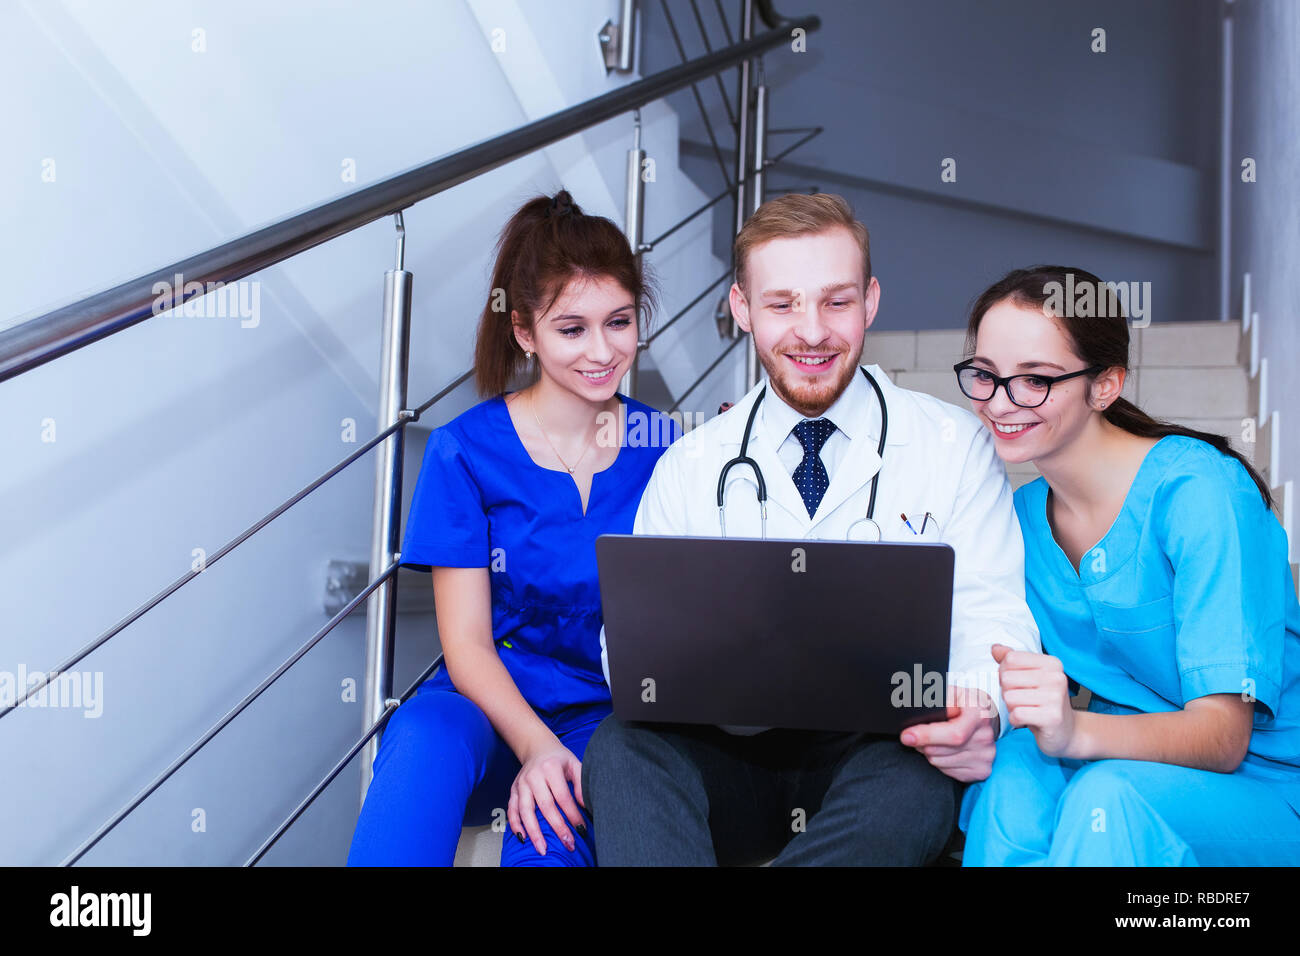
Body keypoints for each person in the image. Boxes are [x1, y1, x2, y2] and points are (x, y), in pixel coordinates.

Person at [580, 193, 1042, 866]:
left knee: (914, 780)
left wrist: (979, 708)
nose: (813, 331)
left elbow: (992, 614)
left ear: (871, 301)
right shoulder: (692, 463)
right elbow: (628, 653)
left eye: (836, 301)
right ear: (741, 309)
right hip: (725, 756)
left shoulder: (951, 443)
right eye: (782, 304)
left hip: (875, 756)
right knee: (621, 747)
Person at [346, 190, 680, 866]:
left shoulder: (668, 446)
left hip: (606, 717)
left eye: (619, 322)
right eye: (572, 328)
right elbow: (465, 644)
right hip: (487, 701)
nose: (601, 351)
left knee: (554, 826)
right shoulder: (464, 450)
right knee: (421, 738)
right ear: (524, 332)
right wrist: (532, 742)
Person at [955, 265, 1300, 866]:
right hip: (1126, 759)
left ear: (1105, 386)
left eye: (1034, 379)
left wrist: (1076, 733)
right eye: (984, 375)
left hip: (1266, 783)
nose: (999, 402)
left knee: (1109, 800)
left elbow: (1224, 737)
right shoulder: (1020, 516)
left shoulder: (1200, 493)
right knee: (1010, 770)